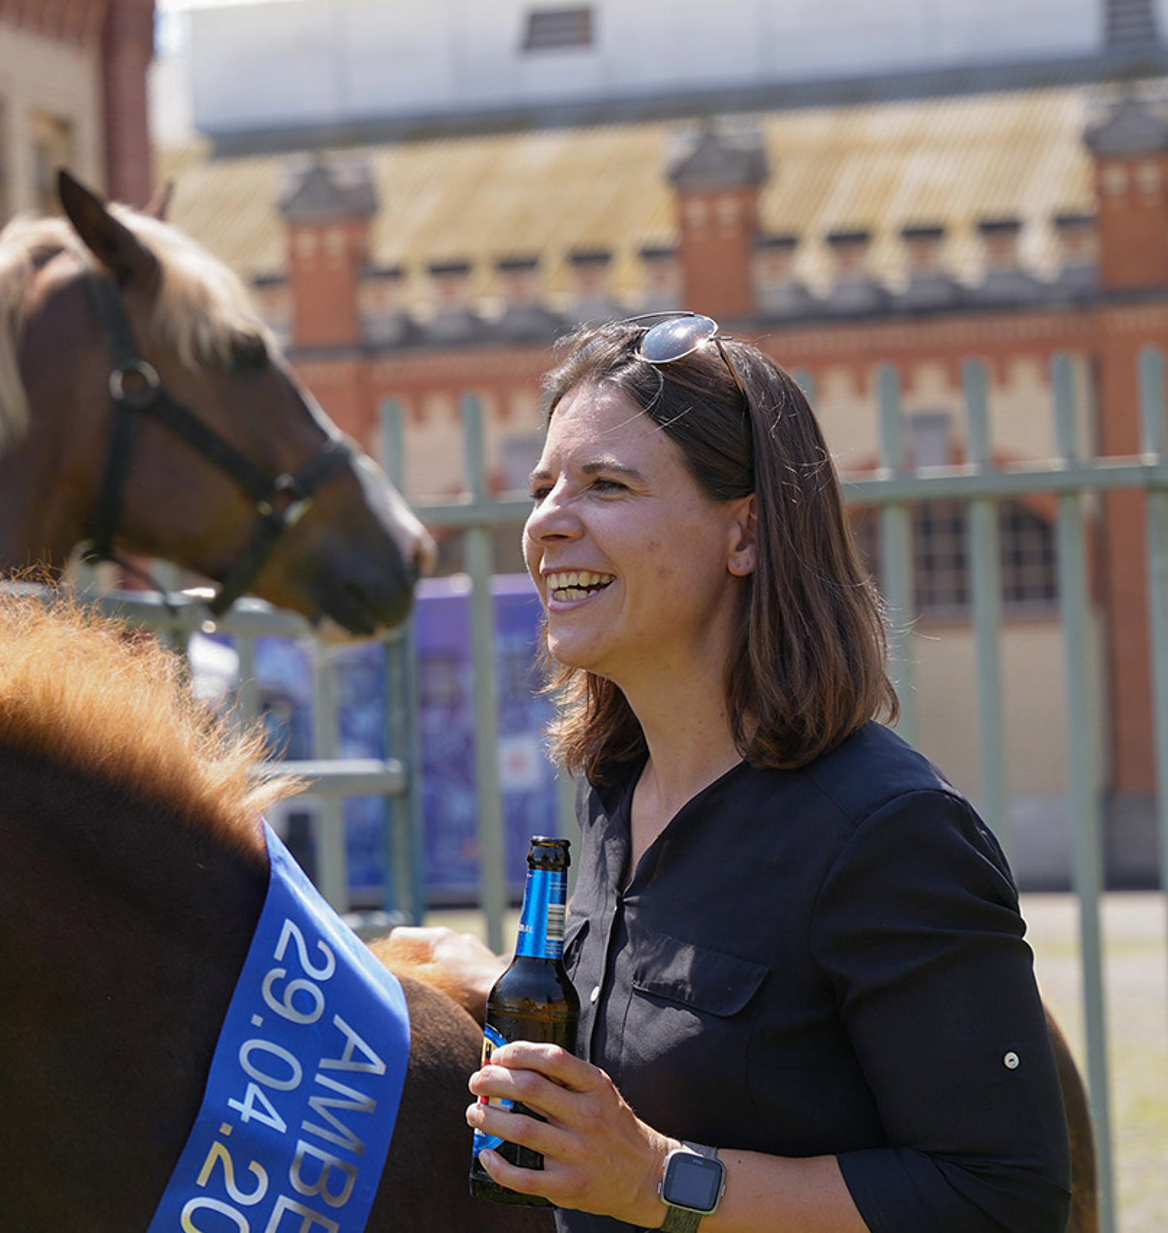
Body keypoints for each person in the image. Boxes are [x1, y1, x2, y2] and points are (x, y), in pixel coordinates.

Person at [458, 314, 1071, 1232]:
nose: (547, 521)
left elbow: (1005, 1198)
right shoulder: (617, 793)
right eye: (543, 488)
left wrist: (661, 1178)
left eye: (605, 484)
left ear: (745, 534)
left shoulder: (887, 832)